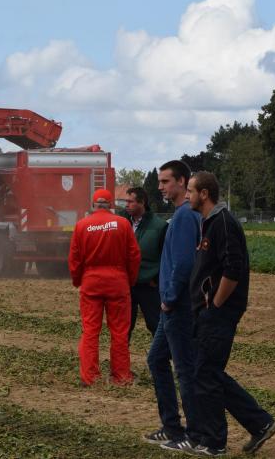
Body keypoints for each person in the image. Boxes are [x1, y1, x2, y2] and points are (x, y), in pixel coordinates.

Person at [169, 171, 275, 456]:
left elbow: (234, 269)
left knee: (205, 375)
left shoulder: (224, 224)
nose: (188, 195)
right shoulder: (210, 222)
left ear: (204, 194)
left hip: (218, 313)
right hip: (207, 313)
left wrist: (215, 305)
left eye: (191, 191)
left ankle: (214, 442)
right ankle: (260, 422)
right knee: (209, 372)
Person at [144, 160, 201, 447]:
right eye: (159, 182)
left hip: (177, 306)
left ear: (181, 181)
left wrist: (167, 298)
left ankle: (194, 433)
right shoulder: (180, 215)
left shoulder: (184, 217)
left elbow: (183, 263)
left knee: (186, 369)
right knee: (156, 359)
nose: (161, 187)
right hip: (173, 305)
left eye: (165, 182)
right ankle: (172, 427)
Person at [69, 188, 141, 386]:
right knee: (119, 332)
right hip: (118, 283)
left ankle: (90, 377)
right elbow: (134, 256)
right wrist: (130, 280)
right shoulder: (123, 224)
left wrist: (78, 280)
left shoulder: (82, 225)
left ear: (93, 205)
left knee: (90, 331)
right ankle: (121, 376)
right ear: (111, 205)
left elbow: (74, 259)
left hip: (91, 283)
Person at [122, 187, 167, 341]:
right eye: (125, 201)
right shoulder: (121, 223)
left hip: (149, 286)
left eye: (130, 201)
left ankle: (161, 362)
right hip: (126, 286)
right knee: (124, 328)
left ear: (142, 202)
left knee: (156, 325)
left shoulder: (159, 226)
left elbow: (166, 258)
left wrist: (156, 280)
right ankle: (120, 364)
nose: (126, 205)